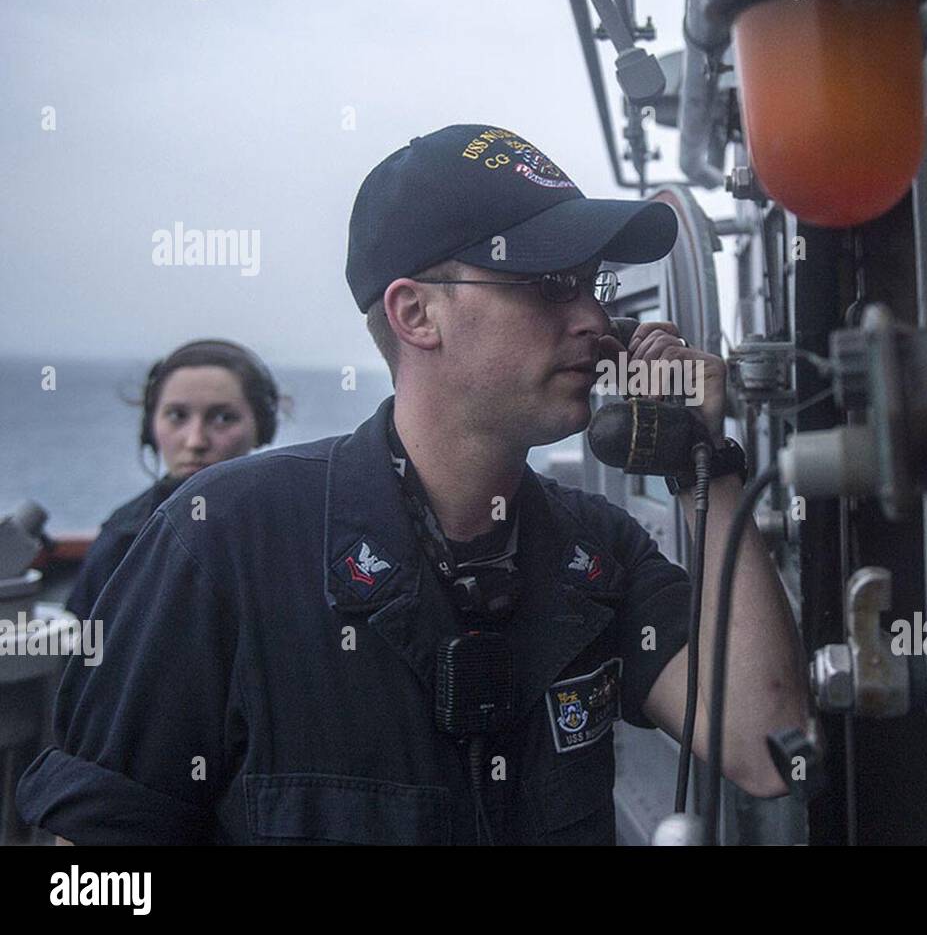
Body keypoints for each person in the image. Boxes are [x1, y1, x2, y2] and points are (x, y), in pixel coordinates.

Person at [17, 123, 806, 845]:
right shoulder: (224, 539)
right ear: (416, 314)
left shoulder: (597, 555)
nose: (594, 323)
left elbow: (767, 751)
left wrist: (704, 465)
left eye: (592, 286)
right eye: (548, 284)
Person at [63, 339, 281, 620]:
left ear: (261, 427)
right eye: (177, 416)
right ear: (150, 426)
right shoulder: (122, 538)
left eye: (224, 418)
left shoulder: (291, 534)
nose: (196, 441)